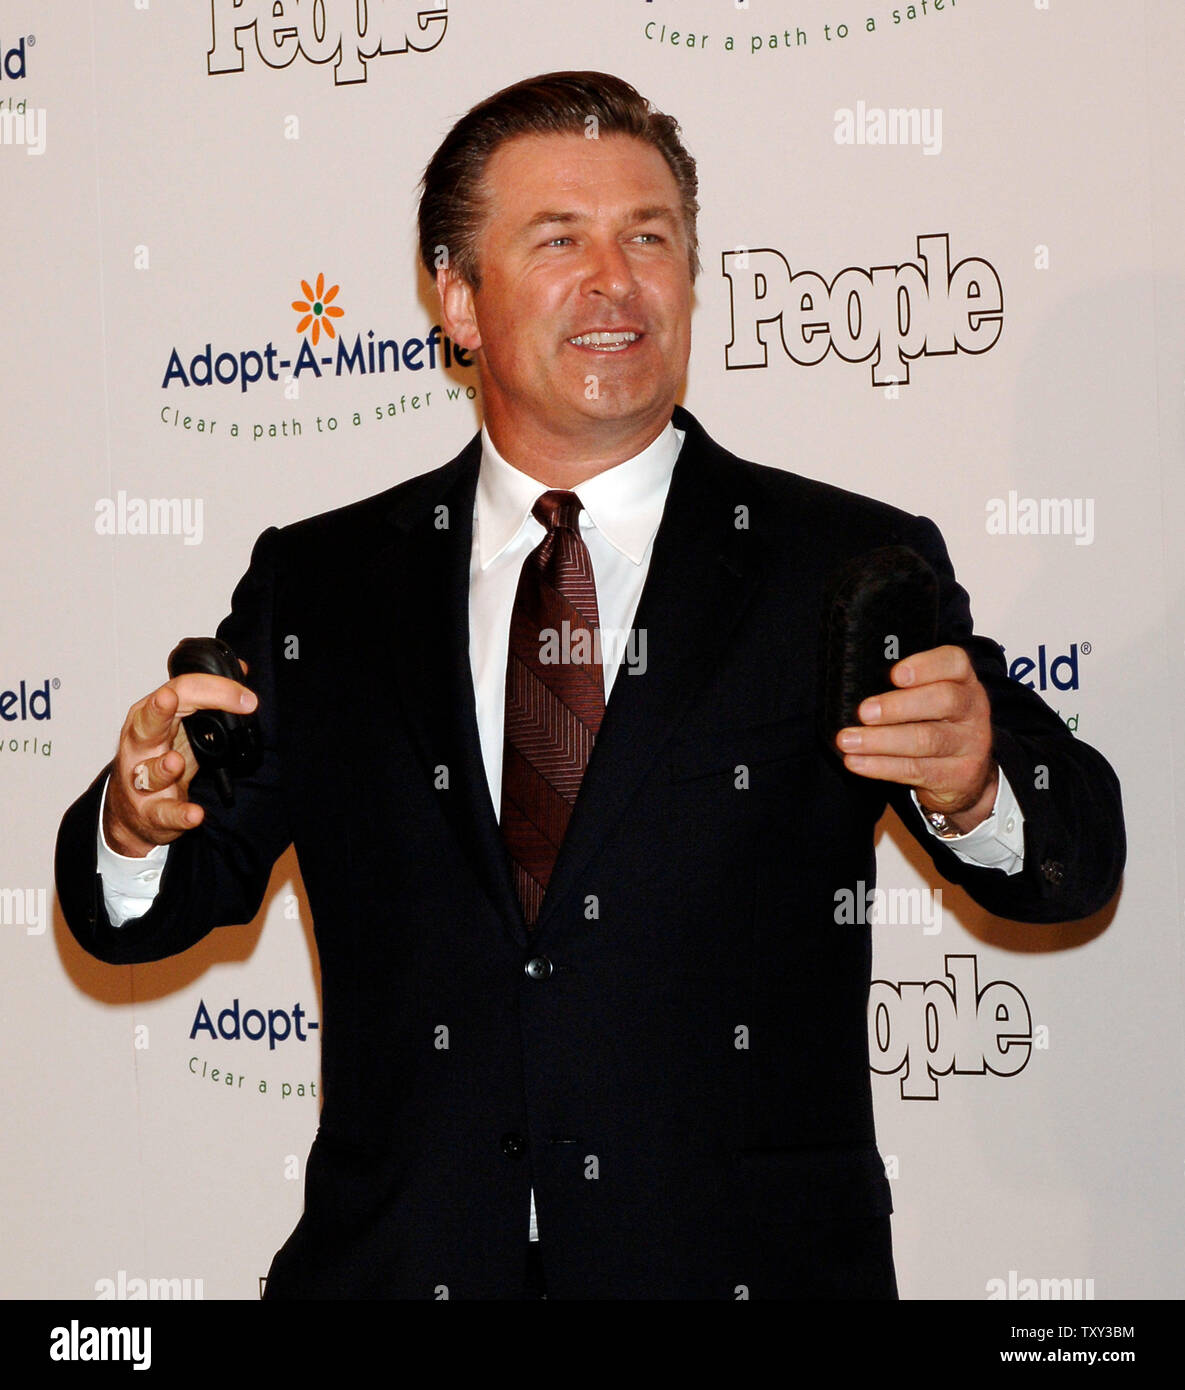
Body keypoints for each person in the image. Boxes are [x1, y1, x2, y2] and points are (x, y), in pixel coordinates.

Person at [56, 71, 1125, 1300]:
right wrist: (138, 825)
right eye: (559, 240)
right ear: (456, 298)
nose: (615, 281)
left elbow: (1076, 858)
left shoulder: (841, 567)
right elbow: (146, 908)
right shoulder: (326, 587)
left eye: (650, 238)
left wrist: (983, 783)